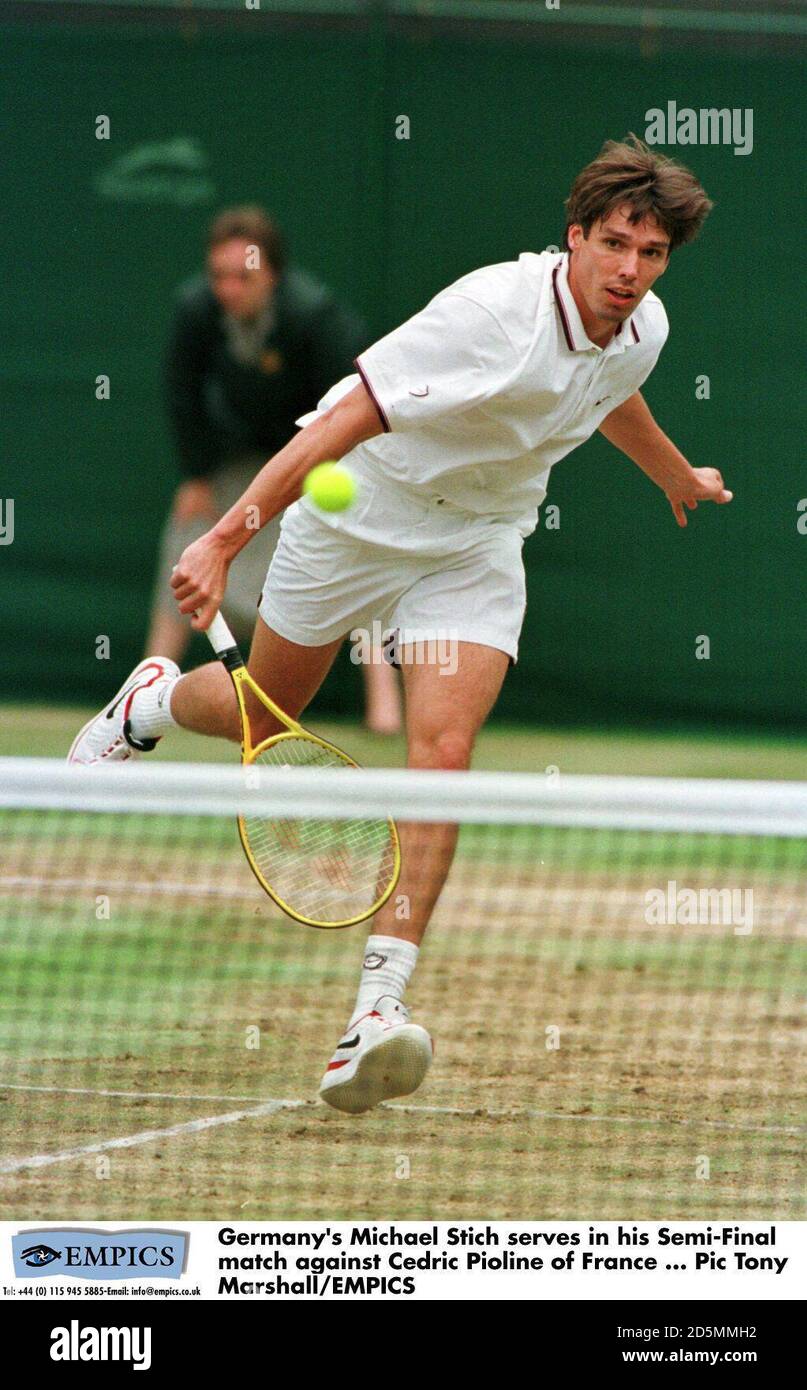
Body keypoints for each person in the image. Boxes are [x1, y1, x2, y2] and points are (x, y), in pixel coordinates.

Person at [69, 136, 732, 1114]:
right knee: (265, 703)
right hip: (358, 517)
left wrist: (672, 472)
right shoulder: (487, 319)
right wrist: (217, 541)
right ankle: (156, 702)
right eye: (616, 246)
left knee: (445, 748)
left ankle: (375, 1010)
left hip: (474, 545)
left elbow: (610, 391)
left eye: (653, 254)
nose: (631, 271)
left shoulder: (644, 326)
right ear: (575, 237)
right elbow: (337, 424)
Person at [146, 204, 403, 734]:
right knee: (185, 538)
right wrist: (196, 477)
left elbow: (357, 406)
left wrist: (336, 474)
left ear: (274, 275)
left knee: (358, 561)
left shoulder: (319, 319)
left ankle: (384, 707)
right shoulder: (196, 312)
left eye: (244, 277)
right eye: (218, 276)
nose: (228, 289)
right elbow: (181, 393)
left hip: (323, 456)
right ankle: (144, 687)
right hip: (241, 456)